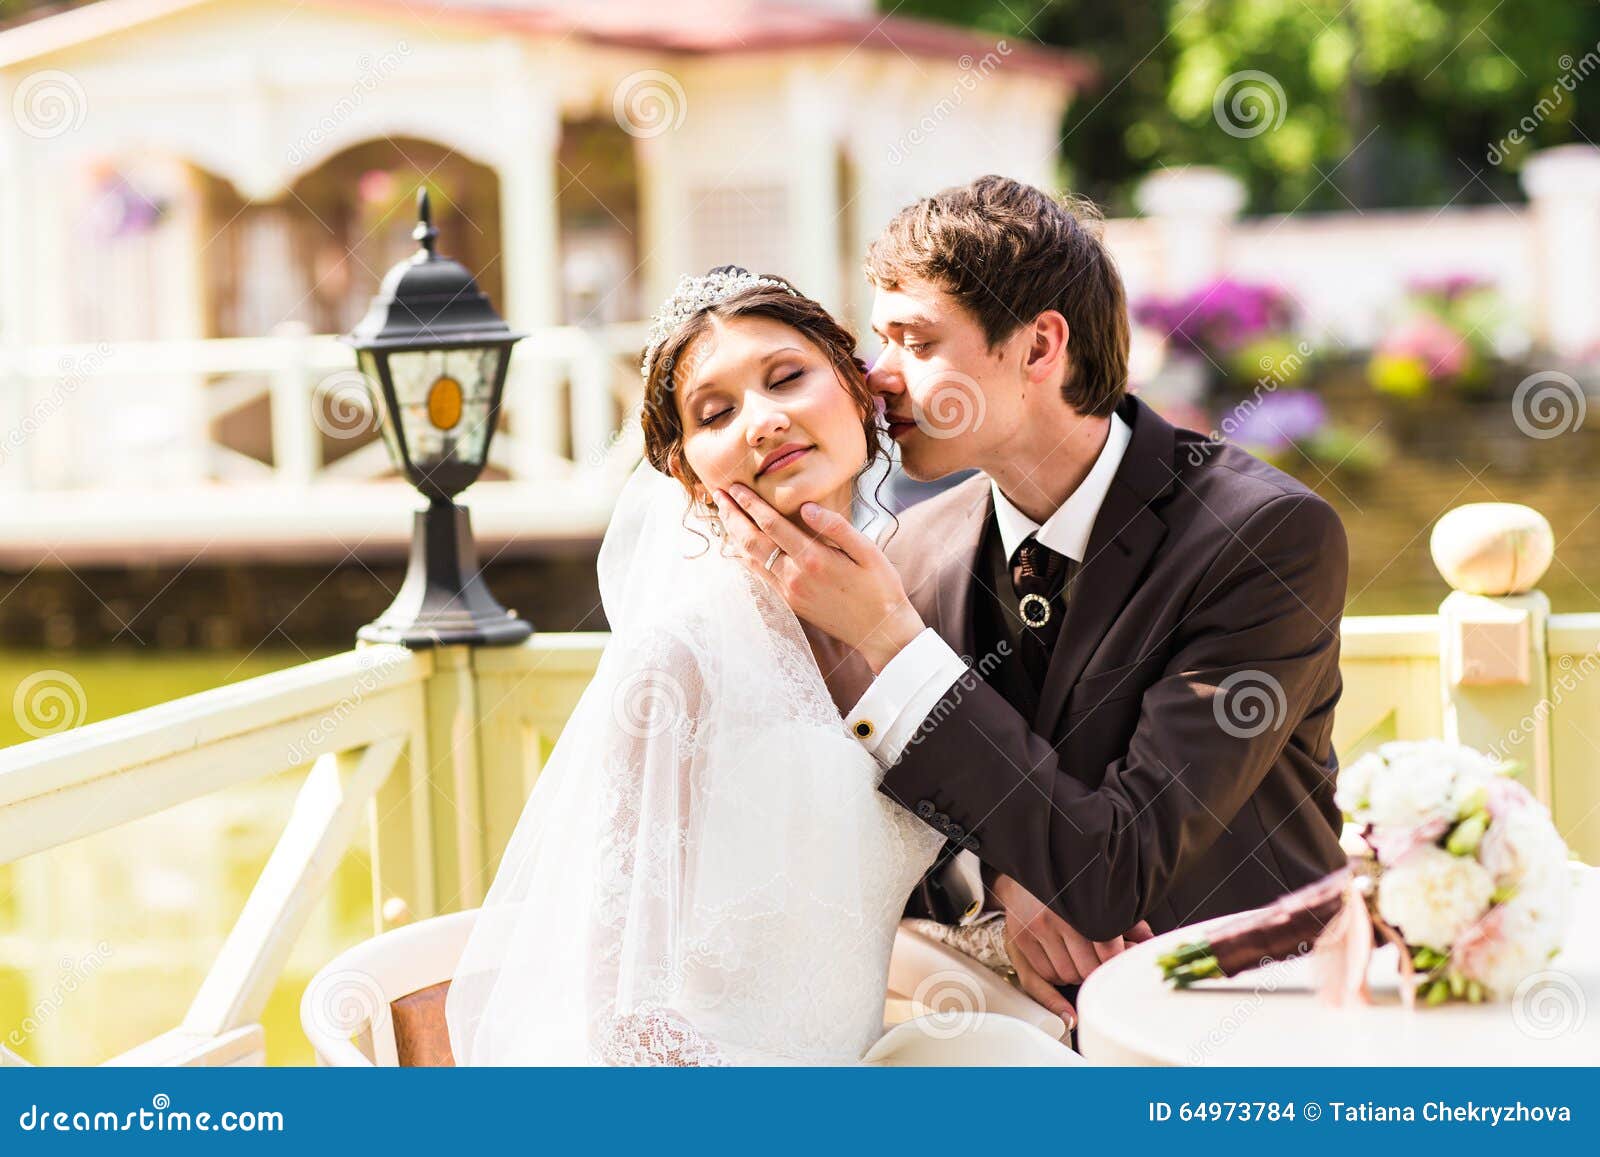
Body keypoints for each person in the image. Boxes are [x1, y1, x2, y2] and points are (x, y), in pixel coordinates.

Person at [713, 176, 1351, 1021]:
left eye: (915, 340)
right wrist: (1007, 870)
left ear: (1040, 347)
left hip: (1252, 1021)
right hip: (1013, 1032)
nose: (878, 379)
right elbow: (885, 822)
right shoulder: (914, 549)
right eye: (879, 341)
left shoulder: (1264, 538)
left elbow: (1120, 863)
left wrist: (890, 638)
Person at [444, 267, 1079, 1066]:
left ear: (858, 390)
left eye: (787, 378)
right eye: (716, 413)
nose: (764, 421)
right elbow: (626, 1022)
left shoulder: (907, 614)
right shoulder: (678, 657)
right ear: (688, 473)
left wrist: (1016, 893)